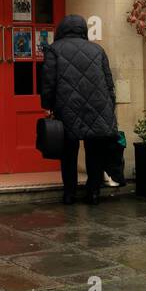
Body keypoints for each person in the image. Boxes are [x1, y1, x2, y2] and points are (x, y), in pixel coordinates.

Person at [41, 14, 117, 205]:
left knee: (68, 153)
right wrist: (110, 106)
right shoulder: (98, 50)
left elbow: (49, 82)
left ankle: (70, 193)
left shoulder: (54, 49)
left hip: (67, 107)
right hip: (99, 107)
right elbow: (109, 83)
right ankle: (93, 193)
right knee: (94, 151)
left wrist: (47, 106)